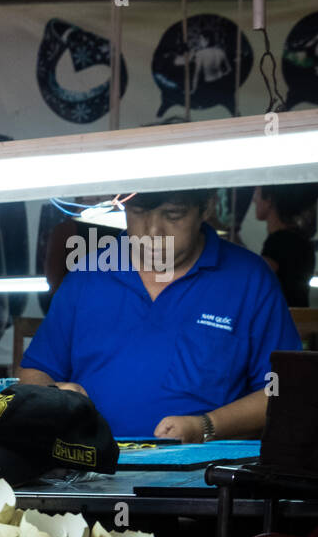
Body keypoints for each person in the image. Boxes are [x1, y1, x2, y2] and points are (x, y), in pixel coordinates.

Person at [18, 188, 301, 443]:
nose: (152, 230)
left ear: (206, 208)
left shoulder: (248, 279)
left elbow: (283, 390)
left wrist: (206, 426)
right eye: (138, 212)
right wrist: (53, 396)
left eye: (173, 214)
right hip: (89, 475)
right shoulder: (88, 275)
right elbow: (34, 372)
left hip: (203, 483)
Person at [254, 183, 318, 307]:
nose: (254, 201)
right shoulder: (299, 238)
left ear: (269, 200)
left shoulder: (279, 241)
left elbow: (257, 281)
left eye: (256, 194)